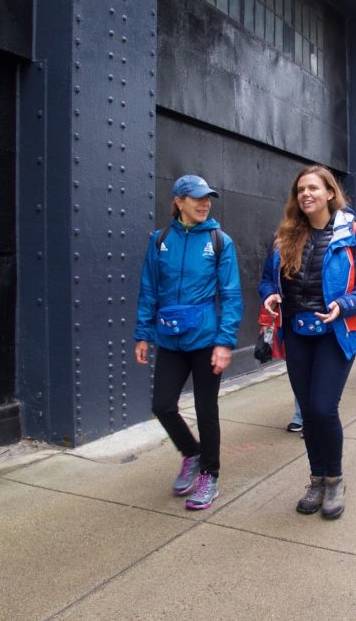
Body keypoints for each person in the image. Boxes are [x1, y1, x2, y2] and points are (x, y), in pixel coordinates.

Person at [260, 165, 356, 519]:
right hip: (297, 333)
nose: (306, 194)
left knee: (323, 408)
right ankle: (316, 479)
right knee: (308, 412)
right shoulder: (285, 236)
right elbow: (267, 280)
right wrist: (270, 295)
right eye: (300, 190)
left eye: (313, 188)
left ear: (330, 193)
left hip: (334, 333)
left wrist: (343, 305)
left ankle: (334, 480)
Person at [133, 174, 242, 510]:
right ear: (179, 201)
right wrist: (143, 332)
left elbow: (232, 294)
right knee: (162, 405)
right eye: (196, 198)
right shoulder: (159, 240)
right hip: (169, 338)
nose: (204, 203)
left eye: (207, 198)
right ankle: (191, 453)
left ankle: (210, 475)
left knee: (206, 409)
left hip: (206, 339)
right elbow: (149, 289)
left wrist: (224, 342)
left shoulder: (220, 241)